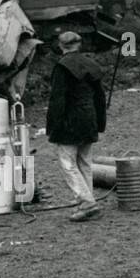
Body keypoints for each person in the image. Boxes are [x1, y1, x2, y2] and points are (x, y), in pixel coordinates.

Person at [47, 31, 108, 221]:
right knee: (85, 163)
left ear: (61, 46)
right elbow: (100, 97)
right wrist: (100, 122)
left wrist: (53, 127)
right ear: (79, 44)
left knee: (68, 164)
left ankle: (87, 202)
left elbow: (57, 100)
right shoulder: (91, 65)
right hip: (89, 117)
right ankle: (88, 202)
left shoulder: (62, 67)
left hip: (69, 120)